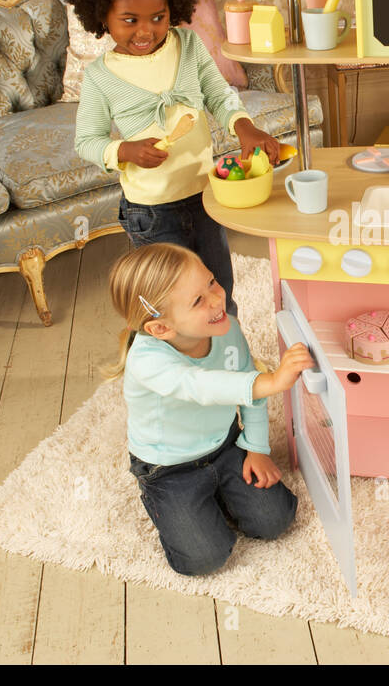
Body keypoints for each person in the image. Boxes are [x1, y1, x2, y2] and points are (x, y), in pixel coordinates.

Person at [67, 0, 280, 314]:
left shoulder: (189, 45)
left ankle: (226, 341)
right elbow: (87, 141)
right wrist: (125, 150)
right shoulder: (100, 76)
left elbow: (218, 95)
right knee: (172, 302)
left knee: (218, 287)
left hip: (205, 193)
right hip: (151, 211)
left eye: (158, 17)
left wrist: (244, 127)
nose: (145, 30)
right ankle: (171, 348)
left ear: (172, 7)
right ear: (103, 16)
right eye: (130, 20)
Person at [106, 242, 314, 577]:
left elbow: (246, 384)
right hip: (169, 467)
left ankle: (217, 493)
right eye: (198, 301)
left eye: (212, 282)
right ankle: (166, 500)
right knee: (205, 557)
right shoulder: (147, 361)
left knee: (276, 519)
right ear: (161, 328)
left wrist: (256, 448)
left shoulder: (226, 329)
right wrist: (273, 381)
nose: (217, 299)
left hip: (225, 444)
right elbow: (203, 386)